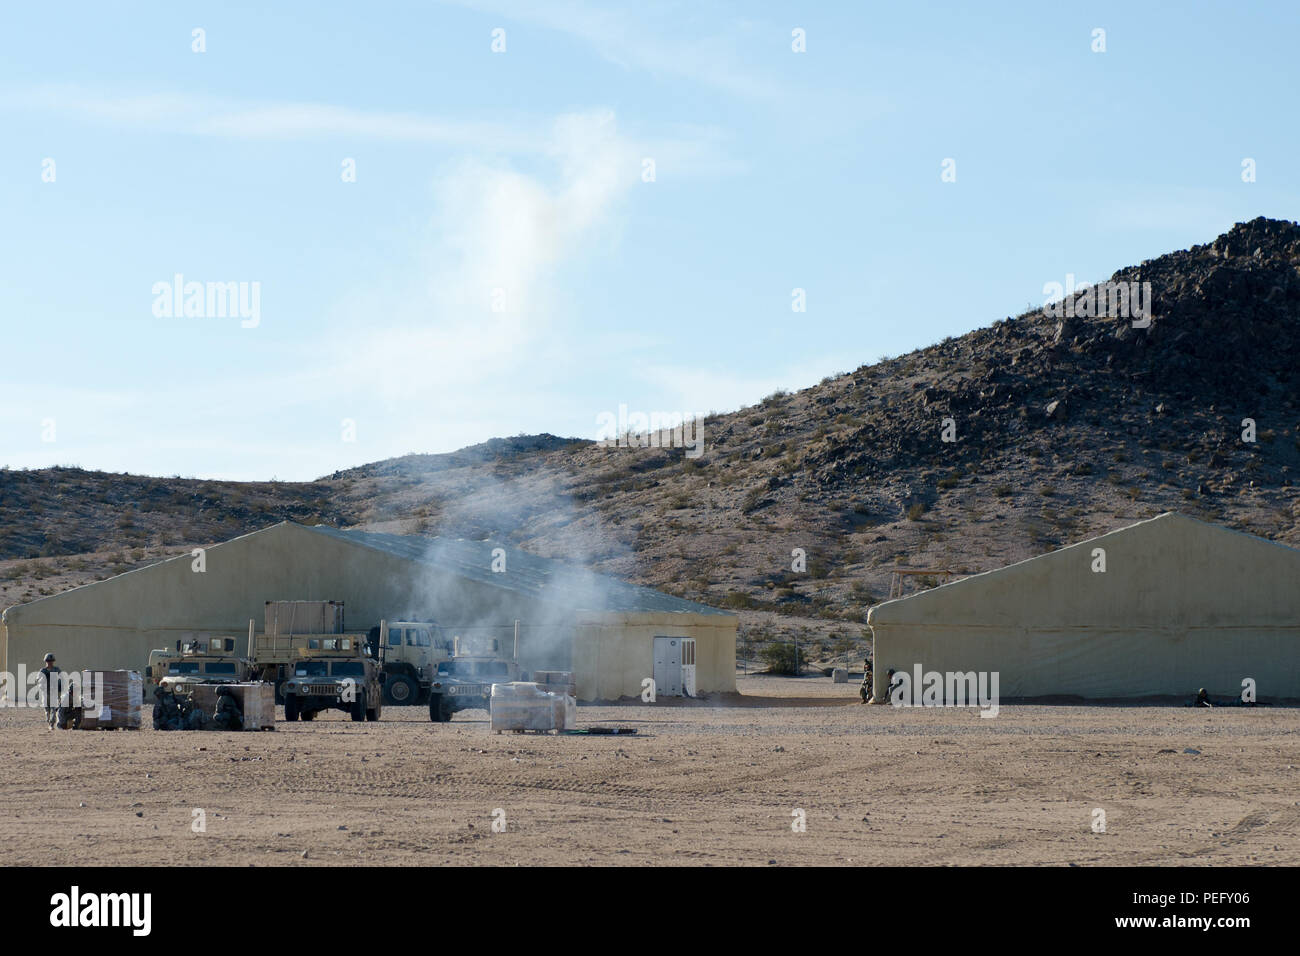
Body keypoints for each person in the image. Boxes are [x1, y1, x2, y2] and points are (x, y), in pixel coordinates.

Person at [38, 653, 61, 730]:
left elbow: (61, 678)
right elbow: (38, 680)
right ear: (46, 661)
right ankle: (49, 721)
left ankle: (52, 724)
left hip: (53, 692)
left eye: (51, 661)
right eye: (48, 661)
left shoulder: (56, 670)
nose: (50, 662)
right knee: (47, 710)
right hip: (45, 692)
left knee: (53, 709)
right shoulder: (43, 670)